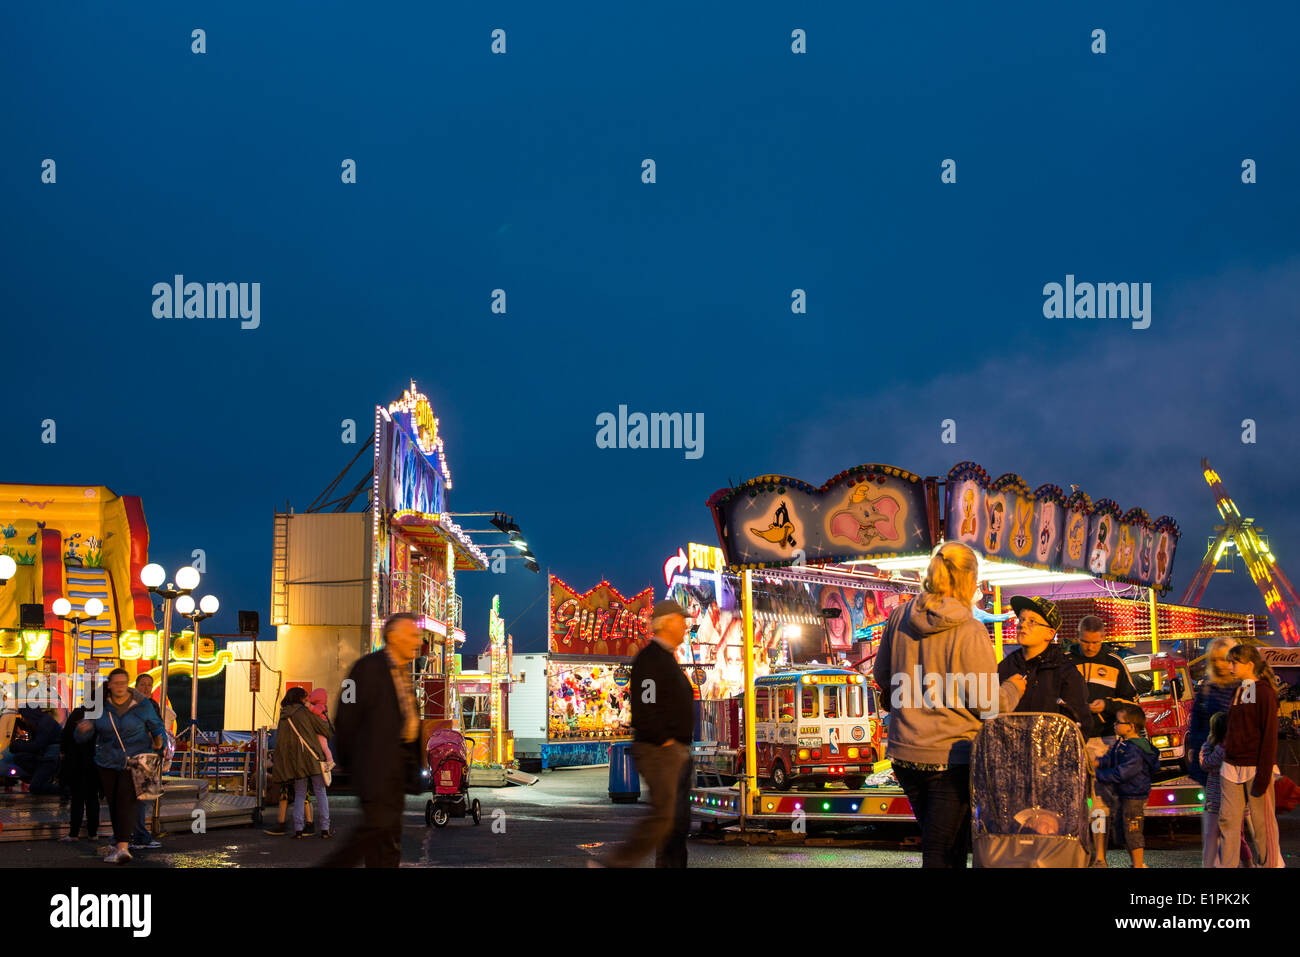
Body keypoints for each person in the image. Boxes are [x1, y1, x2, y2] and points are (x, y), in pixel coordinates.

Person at [874, 542, 1026, 868]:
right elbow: (988, 705)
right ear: (969, 579)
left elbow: (883, 675)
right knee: (941, 851)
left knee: (949, 844)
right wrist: (1014, 687)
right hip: (950, 759)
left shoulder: (899, 616)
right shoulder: (969, 630)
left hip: (905, 754)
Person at [601, 598, 697, 868]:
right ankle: (618, 862)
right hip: (661, 751)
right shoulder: (651, 660)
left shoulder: (665, 658)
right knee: (665, 819)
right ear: (666, 624)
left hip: (672, 751)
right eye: (681, 621)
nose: (685, 627)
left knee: (676, 823)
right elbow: (647, 707)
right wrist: (666, 743)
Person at [322, 612, 423, 867]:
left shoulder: (401, 674)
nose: (418, 641)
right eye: (412, 635)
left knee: (386, 839)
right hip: (375, 769)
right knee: (373, 832)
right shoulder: (366, 668)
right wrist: (352, 764)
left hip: (397, 771)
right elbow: (345, 715)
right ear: (393, 636)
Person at [75, 668, 164, 864]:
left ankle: (123, 847)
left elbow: (157, 726)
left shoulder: (141, 704)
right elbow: (85, 732)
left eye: (123, 683)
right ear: (110, 684)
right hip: (107, 760)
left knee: (125, 800)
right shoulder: (100, 705)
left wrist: (160, 743)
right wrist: (83, 730)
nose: (120, 687)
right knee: (114, 803)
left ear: (128, 683)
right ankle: (119, 843)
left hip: (135, 759)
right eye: (116, 683)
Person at [1216, 644, 1284, 868]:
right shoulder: (1241, 689)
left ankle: (1271, 865)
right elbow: (1238, 728)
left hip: (1255, 767)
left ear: (1250, 665)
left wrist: (1264, 775)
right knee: (1228, 822)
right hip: (1231, 767)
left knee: (1263, 826)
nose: (1229, 666)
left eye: (1234, 662)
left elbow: (1269, 735)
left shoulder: (1263, 691)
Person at [997, 595, 1089, 724]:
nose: (1023, 625)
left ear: (1050, 634)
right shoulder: (1004, 667)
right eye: (1021, 619)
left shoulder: (1066, 674)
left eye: (1032, 621)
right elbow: (987, 714)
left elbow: (1079, 725)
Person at [1093, 704, 1159, 868]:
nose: (1114, 725)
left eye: (1118, 722)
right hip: (1125, 794)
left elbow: (1124, 772)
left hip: (1134, 796)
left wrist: (1101, 775)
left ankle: (1138, 865)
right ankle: (1136, 863)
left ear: (1131, 727)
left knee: (1132, 831)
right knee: (1123, 832)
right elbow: (1111, 758)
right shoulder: (1123, 744)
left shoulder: (1135, 749)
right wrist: (1098, 762)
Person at [1066, 615, 1138, 759]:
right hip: (1071, 736)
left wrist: (1106, 705)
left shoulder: (1115, 663)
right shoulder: (1065, 662)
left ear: (1103, 637)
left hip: (1106, 739)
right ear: (1077, 636)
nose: (1090, 647)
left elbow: (1132, 703)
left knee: (1105, 780)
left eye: (1095, 642)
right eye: (1085, 641)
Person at [272, 686, 332, 839]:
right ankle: (325, 828)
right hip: (313, 759)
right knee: (320, 792)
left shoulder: (284, 716)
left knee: (299, 793)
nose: (307, 699)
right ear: (299, 698)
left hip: (296, 763)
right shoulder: (305, 712)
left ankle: (298, 829)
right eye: (305, 696)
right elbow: (325, 729)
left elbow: (281, 743)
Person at [1186, 637, 1240, 786]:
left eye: (1223, 659)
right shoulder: (1207, 688)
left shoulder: (1245, 687)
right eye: (1214, 660)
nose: (1218, 664)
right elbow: (1196, 724)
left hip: (1235, 760)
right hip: (1211, 762)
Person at [128, 674, 164, 850]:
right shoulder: (133, 705)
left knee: (142, 798)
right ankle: (138, 835)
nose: (146, 688)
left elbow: (158, 727)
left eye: (149, 685)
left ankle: (138, 834)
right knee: (138, 798)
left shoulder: (152, 705)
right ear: (136, 686)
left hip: (148, 755)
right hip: (138, 755)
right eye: (143, 685)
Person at [58, 702, 100, 842]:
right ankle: (93, 832)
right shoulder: (102, 716)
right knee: (92, 799)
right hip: (95, 763)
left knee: (77, 799)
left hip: (77, 763)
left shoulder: (78, 713)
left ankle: (74, 833)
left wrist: (64, 753)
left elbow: (66, 736)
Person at [0, 706, 63, 794]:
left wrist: (18, 745)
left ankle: (66, 790)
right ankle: (39, 776)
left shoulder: (45, 723)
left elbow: (37, 745)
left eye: (24, 718)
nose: (24, 720)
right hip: (45, 756)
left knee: (35, 787)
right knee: (19, 757)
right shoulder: (42, 722)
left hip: (49, 758)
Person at [1199, 711, 1229, 868]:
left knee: (1211, 836)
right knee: (1231, 836)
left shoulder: (1213, 747)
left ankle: (1211, 865)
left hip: (1216, 800)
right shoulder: (1225, 747)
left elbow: (1205, 763)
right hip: (1226, 799)